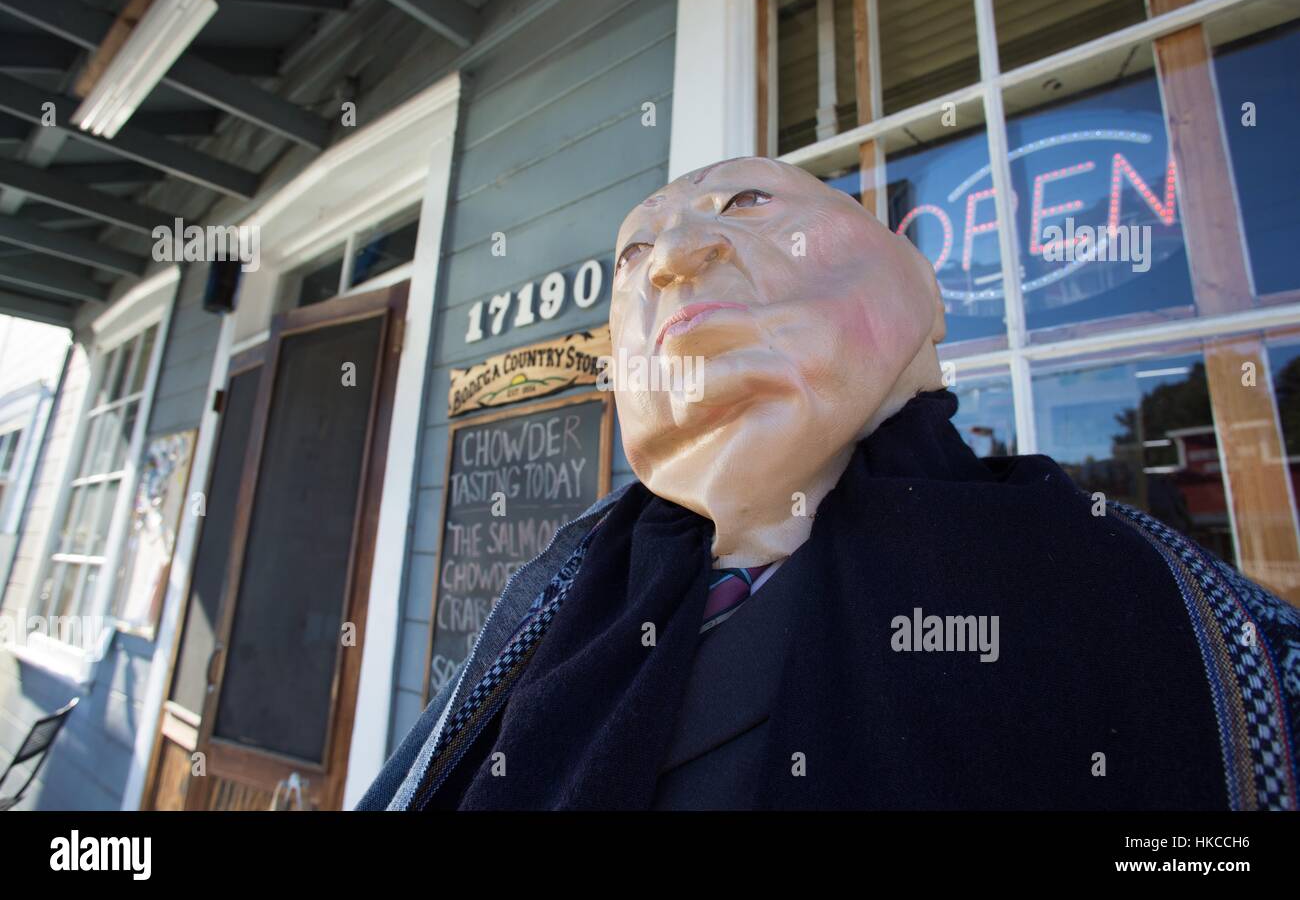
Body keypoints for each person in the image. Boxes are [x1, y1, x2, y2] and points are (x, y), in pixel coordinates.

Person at [359, 157, 1300, 810]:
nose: (677, 259)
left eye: (748, 205)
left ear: (920, 287)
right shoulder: (558, 603)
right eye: (634, 255)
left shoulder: (1120, 595)